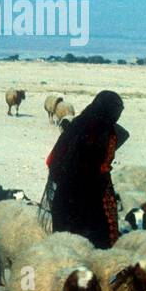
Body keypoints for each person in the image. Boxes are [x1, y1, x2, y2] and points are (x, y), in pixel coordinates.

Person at [39, 90, 128, 248]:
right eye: (116, 112)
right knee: (91, 242)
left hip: (70, 196)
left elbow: (54, 161)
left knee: (70, 244)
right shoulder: (96, 133)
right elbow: (69, 163)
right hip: (86, 198)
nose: (117, 116)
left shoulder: (82, 127)